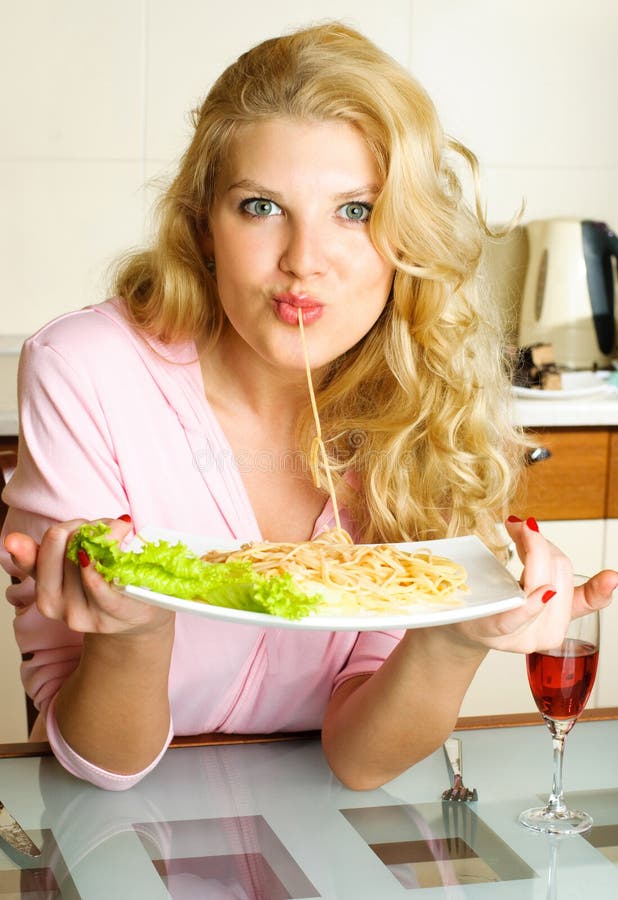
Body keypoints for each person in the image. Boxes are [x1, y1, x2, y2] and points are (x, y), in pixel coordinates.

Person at [2, 21, 616, 792]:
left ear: (408, 237)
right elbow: (102, 761)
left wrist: (458, 636)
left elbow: (359, 761)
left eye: (355, 211)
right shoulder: (85, 372)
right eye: (261, 207)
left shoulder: (420, 397)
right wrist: (137, 633)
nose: (303, 260)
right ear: (204, 226)